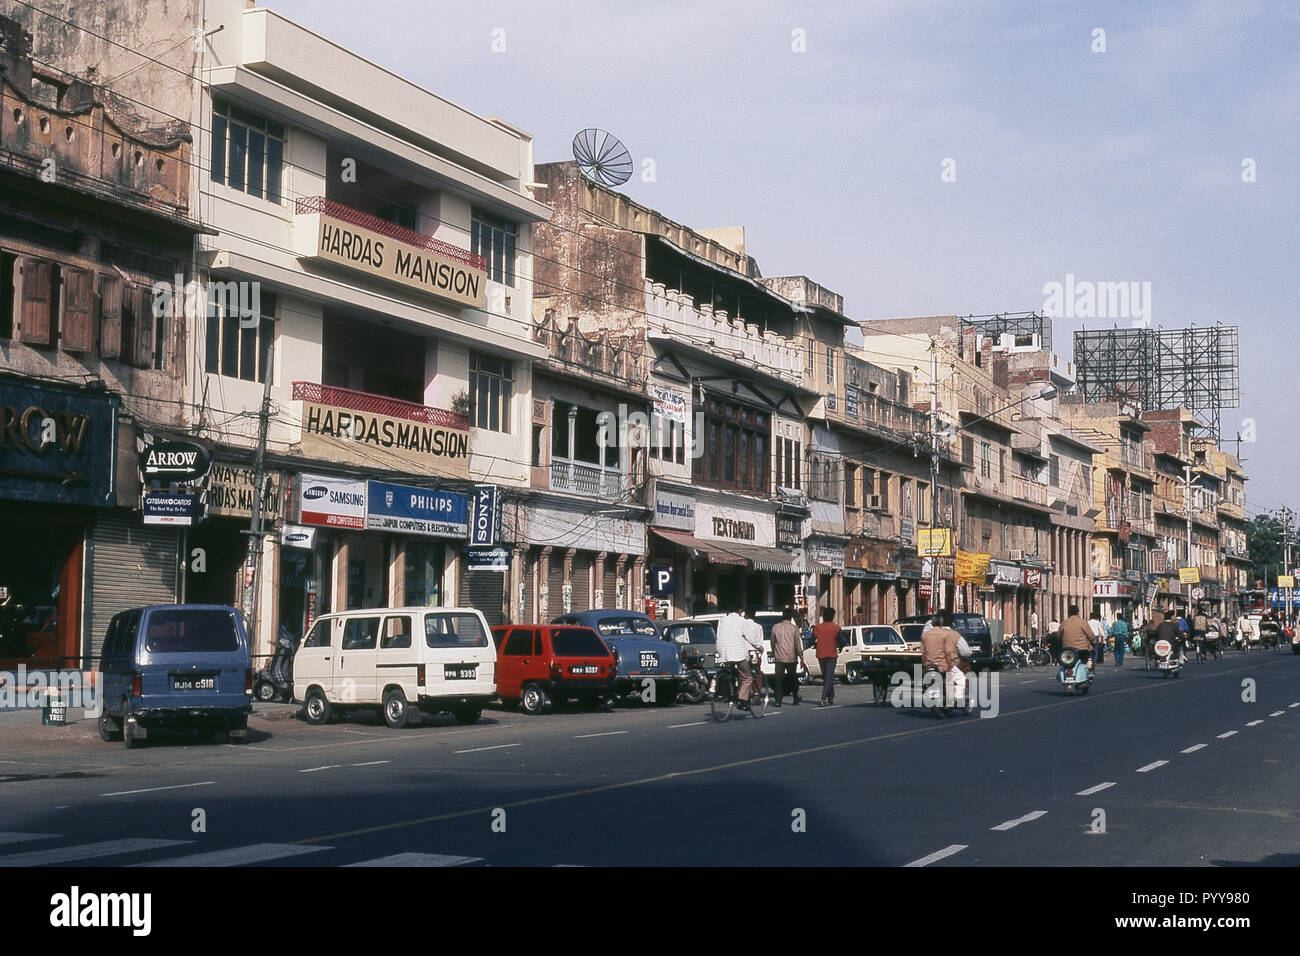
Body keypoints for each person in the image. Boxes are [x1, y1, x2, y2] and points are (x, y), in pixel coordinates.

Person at [920, 611, 964, 708]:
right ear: (941, 623)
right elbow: (948, 652)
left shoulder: (925, 635)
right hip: (942, 665)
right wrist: (949, 667)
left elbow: (923, 653)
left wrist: (924, 666)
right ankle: (957, 699)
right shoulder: (945, 634)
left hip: (929, 665)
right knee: (960, 677)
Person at [714, 608, 751, 704]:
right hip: (736, 651)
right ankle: (742, 700)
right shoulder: (741, 620)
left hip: (723, 650)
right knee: (747, 676)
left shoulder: (723, 620)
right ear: (740, 610)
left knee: (729, 670)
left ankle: (730, 691)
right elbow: (749, 636)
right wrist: (759, 647)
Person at [770, 606, 802, 707]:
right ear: (790, 617)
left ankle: (778, 700)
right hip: (791, 657)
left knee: (779, 680)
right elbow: (797, 644)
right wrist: (801, 656)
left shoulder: (775, 627)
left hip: (779, 657)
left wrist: (774, 652)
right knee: (793, 678)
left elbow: (772, 642)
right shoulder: (794, 628)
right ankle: (795, 697)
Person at [811, 606, 843, 707]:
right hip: (832, 654)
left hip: (820, 654)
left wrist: (813, 645)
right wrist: (841, 646)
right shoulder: (836, 628)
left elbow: (811, 640)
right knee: (829, 676)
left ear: (823, 616)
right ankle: (824, 698)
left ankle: (831, 696)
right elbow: (842, 640)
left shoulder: (817, 628)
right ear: (833, 617)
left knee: (826, 676)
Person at [738, 609, 765, 706]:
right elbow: (760, 642)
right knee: (757, 674)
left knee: (744, 675)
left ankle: (743, 694)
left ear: (745, 615)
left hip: (743, 654)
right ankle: (756, 694)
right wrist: (760, 651)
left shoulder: (741, 625)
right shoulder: (758, 627)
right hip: (754, 653)